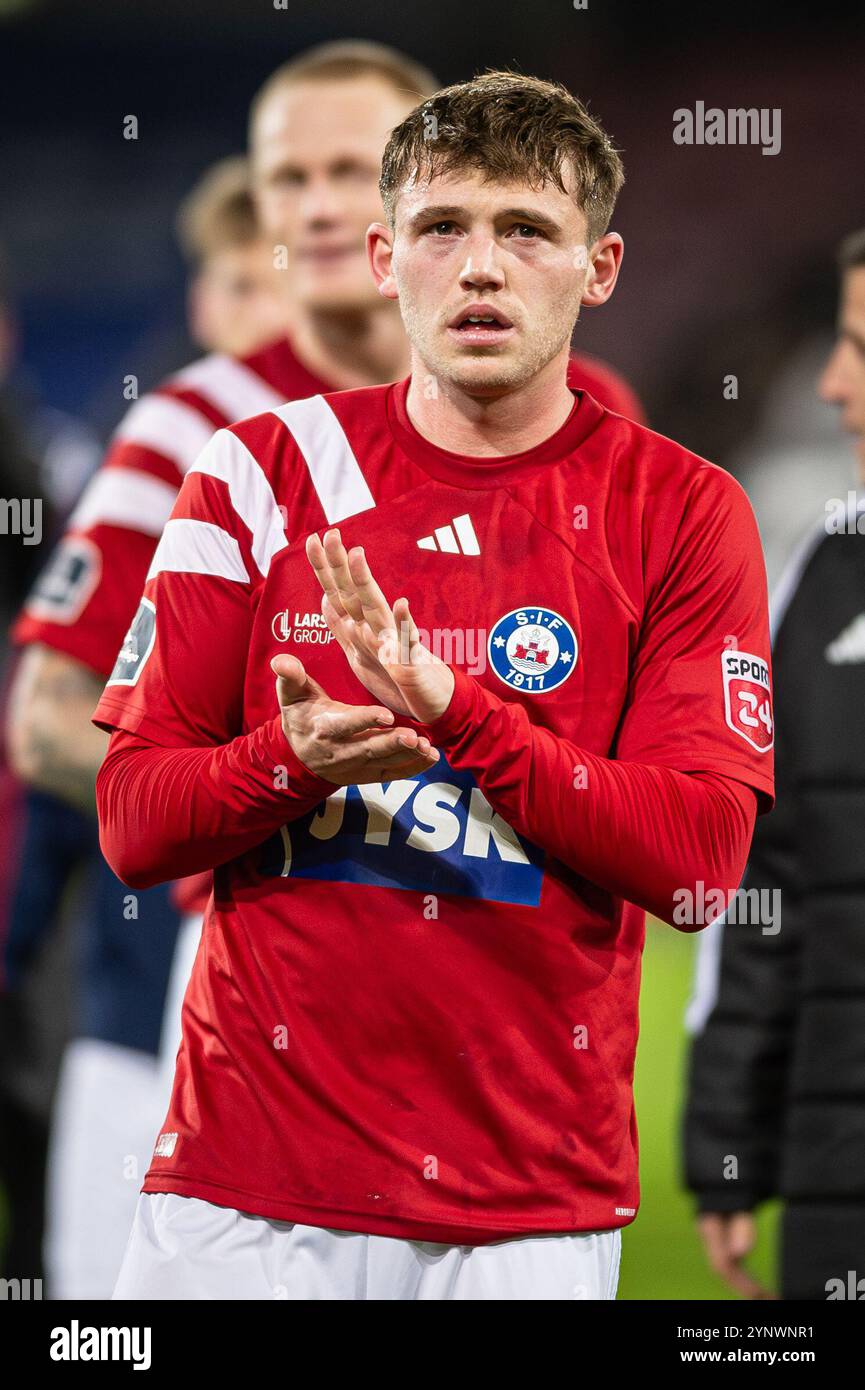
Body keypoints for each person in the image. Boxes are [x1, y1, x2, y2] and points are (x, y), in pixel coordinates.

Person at [95, 70, 773, 1302]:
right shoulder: (253, 473)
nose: (479, 268)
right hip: (239, 1191)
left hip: (522, 1211)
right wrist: (289, 763)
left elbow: (697, 864)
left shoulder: (682, 512)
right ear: (381, 254)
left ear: (599, 267)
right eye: (441, 228)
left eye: (526, 231)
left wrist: (457, 718)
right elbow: (135, 826)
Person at [0, 150, 290, 1299]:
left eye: (267, 281)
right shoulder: (168, 472)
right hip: (134, 1005)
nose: (249, 315)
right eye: (231, 282)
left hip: (321, 1039)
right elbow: (58, 753)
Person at [684, 228, 865, 1302]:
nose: (833, 385)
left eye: (854, 347)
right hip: (843, 1184)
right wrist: (730, 1142)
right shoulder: (830, 571)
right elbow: (767, 873)